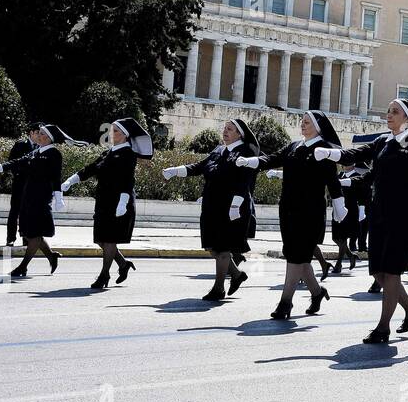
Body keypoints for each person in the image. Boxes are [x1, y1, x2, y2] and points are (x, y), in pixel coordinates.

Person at [316, 100, 408, 344]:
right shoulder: (383, 141)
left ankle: (383, 328)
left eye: (395, 111)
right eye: (388, 110)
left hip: (403, 214)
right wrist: (332, 153)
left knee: (391, 272)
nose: (388, 115)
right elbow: (359, 156)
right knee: (379, 273)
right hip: (380, 212)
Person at [236, 111, 345, 320]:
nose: (302, 125)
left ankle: (285, 302)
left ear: (318, 126)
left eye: (307, 122)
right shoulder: (294, 146)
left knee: (296, 256)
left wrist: (340, 207)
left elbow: (333, 182)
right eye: (301, 122)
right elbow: (272, 159)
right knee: (299, 257)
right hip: (288, 209)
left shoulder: (325, 150)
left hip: (310, 212)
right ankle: (317, 292)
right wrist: (250, 161)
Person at [163, 119, 259, 301]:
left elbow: (244, 181)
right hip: (211, 206)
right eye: (224, 128)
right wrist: (175, 171)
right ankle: (237, 275)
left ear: (239, 134)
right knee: (212, 247)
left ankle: (219, 288)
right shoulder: (218, 150)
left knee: (222, 249)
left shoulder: (244, 152)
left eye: (230, 129)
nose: (225, 131)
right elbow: (199, 166)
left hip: (230, 207)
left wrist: (235, 205)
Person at [0, 124, 84, 277]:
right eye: (39, 133)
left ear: (48, 138)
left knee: (34, 234)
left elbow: (56, 177)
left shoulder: (54, 154)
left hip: (41, 197)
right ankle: (51, 256)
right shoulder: (36, 152)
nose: (38, 135)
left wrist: (59, 197)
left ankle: (23, 266)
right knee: (29, 232)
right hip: (28, 195)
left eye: (42, 134)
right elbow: (17, 162)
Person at [62, 118, 151, 290]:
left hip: (119, 202)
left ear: (125, 135)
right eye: (111, 130)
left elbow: (127, 180)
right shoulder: (108, 153)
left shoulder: (128, 154)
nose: (112, 133)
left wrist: (123, 202)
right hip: (104, 201)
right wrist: (70, 181)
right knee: (101, 240)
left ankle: (104, 275)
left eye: (116, 131)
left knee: (109, 240)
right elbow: (90, 169)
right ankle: (123, 265)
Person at [3, 123, 39, 245]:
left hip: (33, 185)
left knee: (29, 212)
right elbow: (12, 162)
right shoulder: (20, 145)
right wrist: (18, 174)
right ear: (31, 133)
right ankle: (10, 238)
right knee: (15, 211)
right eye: (38, 132)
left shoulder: (41, 147)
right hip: (20, 184)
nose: (40, 135)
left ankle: (26, 238)